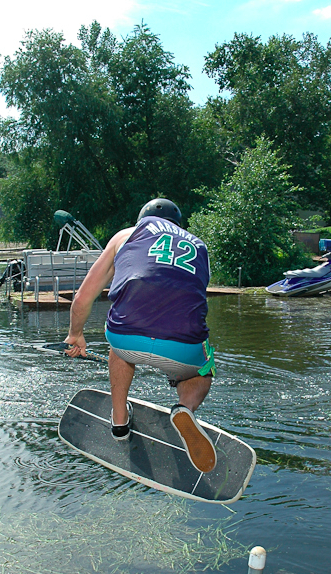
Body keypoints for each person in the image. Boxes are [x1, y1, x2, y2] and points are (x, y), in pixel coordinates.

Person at [65, 198, 217, 473]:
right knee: (200, 372)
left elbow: (83, 297)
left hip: (127, 338)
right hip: (184, 345)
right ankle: (185, 408)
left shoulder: (126, 235)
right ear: (179, 225)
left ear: (141, 218)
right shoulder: (199, 246)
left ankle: (120, 419)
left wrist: (75, 334)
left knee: (119, 338)